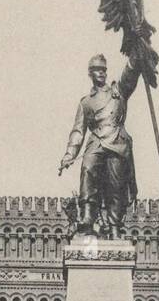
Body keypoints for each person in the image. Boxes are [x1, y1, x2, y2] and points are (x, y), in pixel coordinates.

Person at [59, 49, 142, 237]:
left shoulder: (118, 91)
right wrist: (69, 154)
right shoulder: (86, 102)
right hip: (96, 142)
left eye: (103, 69)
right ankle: (88, 216)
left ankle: (114, 226)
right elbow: (78, 131)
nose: (101, 72)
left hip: (116, 142)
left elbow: (130, 73)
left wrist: (136, 50)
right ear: (90, 73)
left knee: (115, 184)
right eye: (97, 69)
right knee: (87, 168)